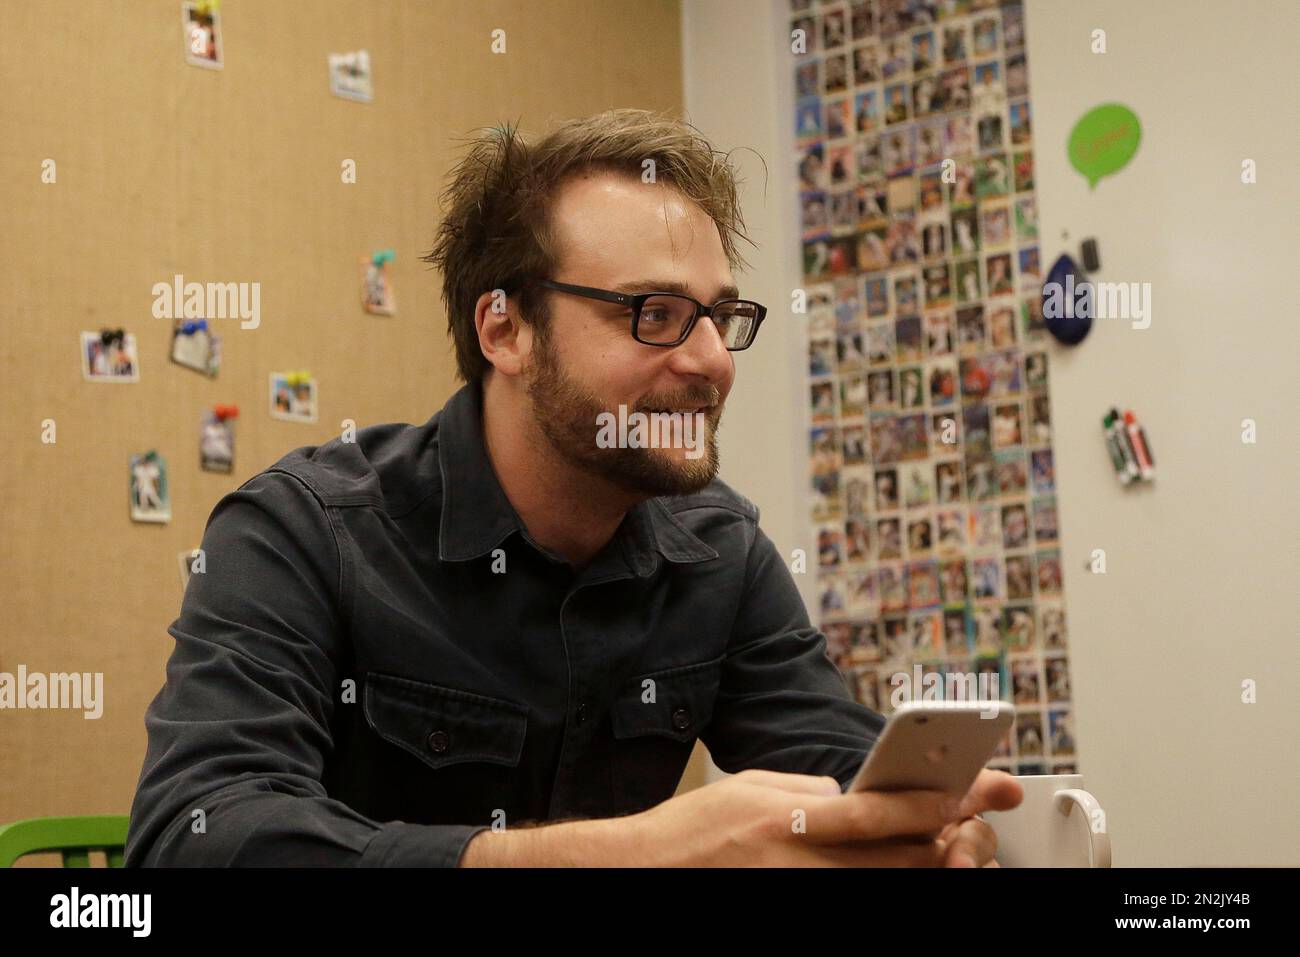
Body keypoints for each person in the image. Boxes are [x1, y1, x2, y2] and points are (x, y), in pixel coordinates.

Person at [126, 109, 1019, 868]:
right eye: (654, 314)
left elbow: (836, 766)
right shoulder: (303, 530)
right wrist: (634, 853)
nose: (711, 361)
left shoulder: (720, 552)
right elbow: (194, 834)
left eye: (719, 317)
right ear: (506, 329)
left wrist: (927, 828)